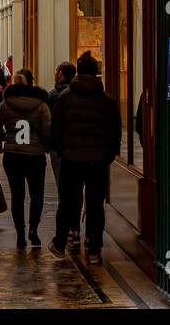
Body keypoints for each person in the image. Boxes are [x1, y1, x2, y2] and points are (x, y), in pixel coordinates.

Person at [48, 51, 120, 266]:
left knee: (68, 203)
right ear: (96, 73)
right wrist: (107, 156)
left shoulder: (65, 98)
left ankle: (60, 243)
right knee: (95, 205)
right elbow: (114, 132)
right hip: (97, 160)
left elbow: (57, 130)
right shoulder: (107, 100)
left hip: (71, 158)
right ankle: (94, 248)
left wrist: (61, 151)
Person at [0, 69, 50, 248]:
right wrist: (44, 145)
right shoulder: (41, 104)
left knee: (17, 196)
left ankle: (20, 234)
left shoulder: (7, 103)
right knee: (37, 195)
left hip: (13, 155)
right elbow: (48, 129)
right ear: (32, 83)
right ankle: (34, 230)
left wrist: (5, 137)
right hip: (35, 155)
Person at [47, 60, 77, 191]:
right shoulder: (78, 93)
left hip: (58, 146)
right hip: (77, 145)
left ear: (60, 74)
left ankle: (64, 208)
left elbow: (47, 121)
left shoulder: (53, 95)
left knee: (61, 183)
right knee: (76, 184)